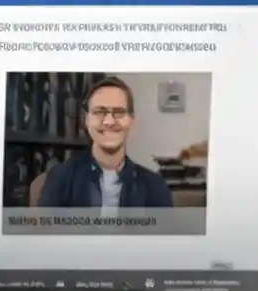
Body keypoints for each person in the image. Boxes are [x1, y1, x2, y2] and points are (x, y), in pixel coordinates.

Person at [36, 76, 174, 209]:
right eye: (99, 112)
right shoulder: (60, 178)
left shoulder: (155, 187)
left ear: (131, 121)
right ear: (86, 120)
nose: (109, 121)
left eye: (119, 112)